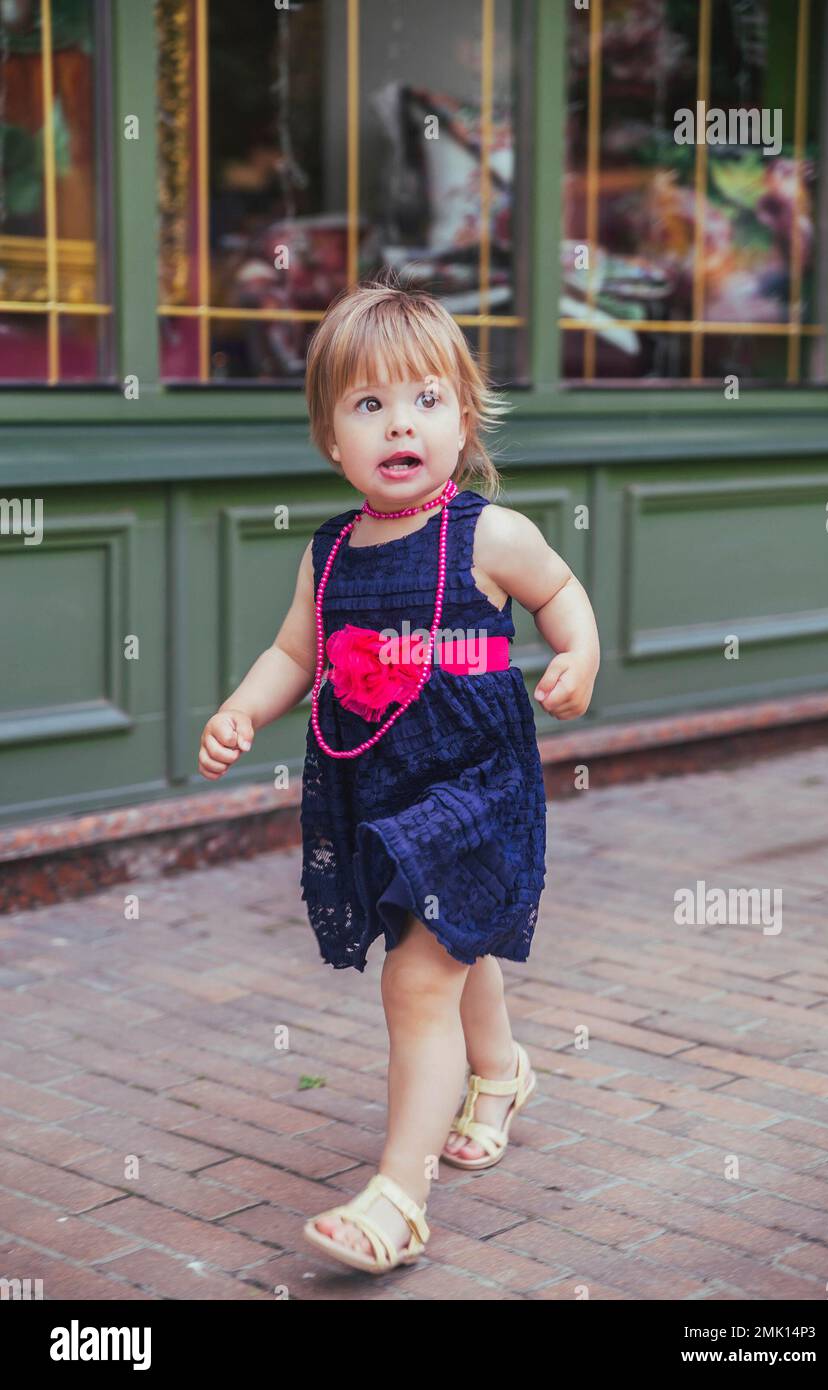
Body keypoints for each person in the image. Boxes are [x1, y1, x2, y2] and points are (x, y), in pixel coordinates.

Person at [197, 278, 600, 1274]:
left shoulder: (486, 533)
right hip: (372, 781)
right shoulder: (328, 553)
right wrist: (245, 707)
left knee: (417, 976)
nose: (398, 423)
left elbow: (562, 596)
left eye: (424, 399)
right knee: (447, 939)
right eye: (367, 405)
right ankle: (499, 1072)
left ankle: (396, 1198)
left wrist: (577, 655)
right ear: (332, 438)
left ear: (462, 417)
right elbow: (296, 654)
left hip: (473, 780)